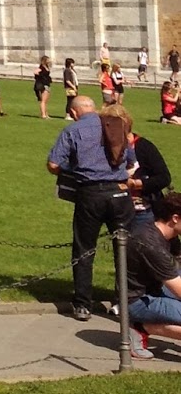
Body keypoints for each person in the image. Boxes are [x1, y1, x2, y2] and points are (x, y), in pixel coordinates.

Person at [47, 97, 135, 320]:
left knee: (84, 249)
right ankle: (124, 301)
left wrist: (74, 168)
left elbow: (53, 164)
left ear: (75, 113)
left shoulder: (73, 130)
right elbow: (131, 162)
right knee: (123, 249)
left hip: (91, 193)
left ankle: (83, 304)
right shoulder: (116, 125)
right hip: (120, 192)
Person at [125, 190, 181, 356]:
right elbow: (178, 289)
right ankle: (141, 327)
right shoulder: (151, 244)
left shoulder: (169, 235)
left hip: (157, 287)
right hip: (137, 300)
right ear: (175, 219)